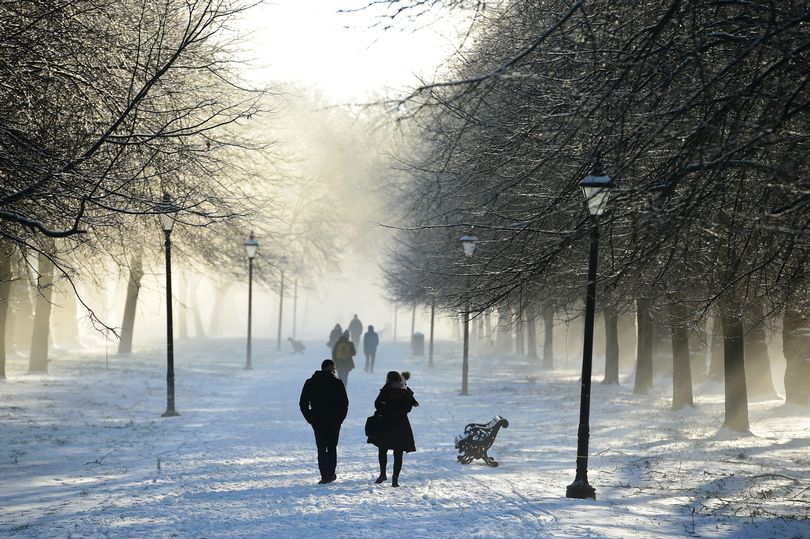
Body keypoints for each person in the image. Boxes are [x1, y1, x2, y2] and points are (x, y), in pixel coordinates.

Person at [299, 359, 349, 484]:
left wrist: (310, 418)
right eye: (334, 367)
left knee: (321, 448)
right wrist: (340, 418)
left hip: (317, 419)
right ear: (331, 367)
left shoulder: (310, 382)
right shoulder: (337, 383)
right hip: (334, 420)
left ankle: (324, 475)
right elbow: (344, 403)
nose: (335, 370)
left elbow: (303, 403)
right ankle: (331, 473)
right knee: (332, 447)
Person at [367, 371, 419, 487]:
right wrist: (398, 411)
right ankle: (395, 478)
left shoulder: (386, 390)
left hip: (386, 424)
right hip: (401, 424)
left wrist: (386, 409)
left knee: (382, 449)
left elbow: (377, 404)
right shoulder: (405, 391)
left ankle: (383, 474)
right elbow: (408, 408)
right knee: (398, 451)